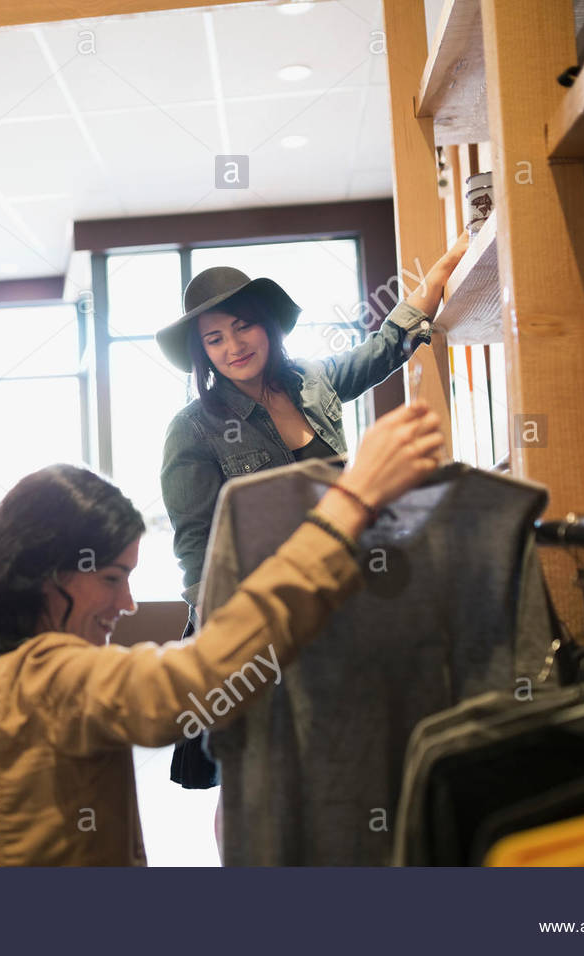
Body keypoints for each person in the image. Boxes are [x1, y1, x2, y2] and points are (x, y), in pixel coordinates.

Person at [0, 401, 445, 866]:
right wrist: (348, 506)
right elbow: (202, 676)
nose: (127, 604)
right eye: (112, 579)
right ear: (48, 574)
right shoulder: (51, 677)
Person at [155, 234, 469, 787]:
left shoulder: (312, 382)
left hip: (339, 598)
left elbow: (384, 349)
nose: (232, 347)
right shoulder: (191, 428)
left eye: (242, 326)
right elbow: (196, 553)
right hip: (259, 615)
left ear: (266, 325)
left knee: (337, 759)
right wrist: (227, 642)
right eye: (214, 338)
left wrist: (440, 273)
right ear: (202, 352)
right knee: (256, 777)